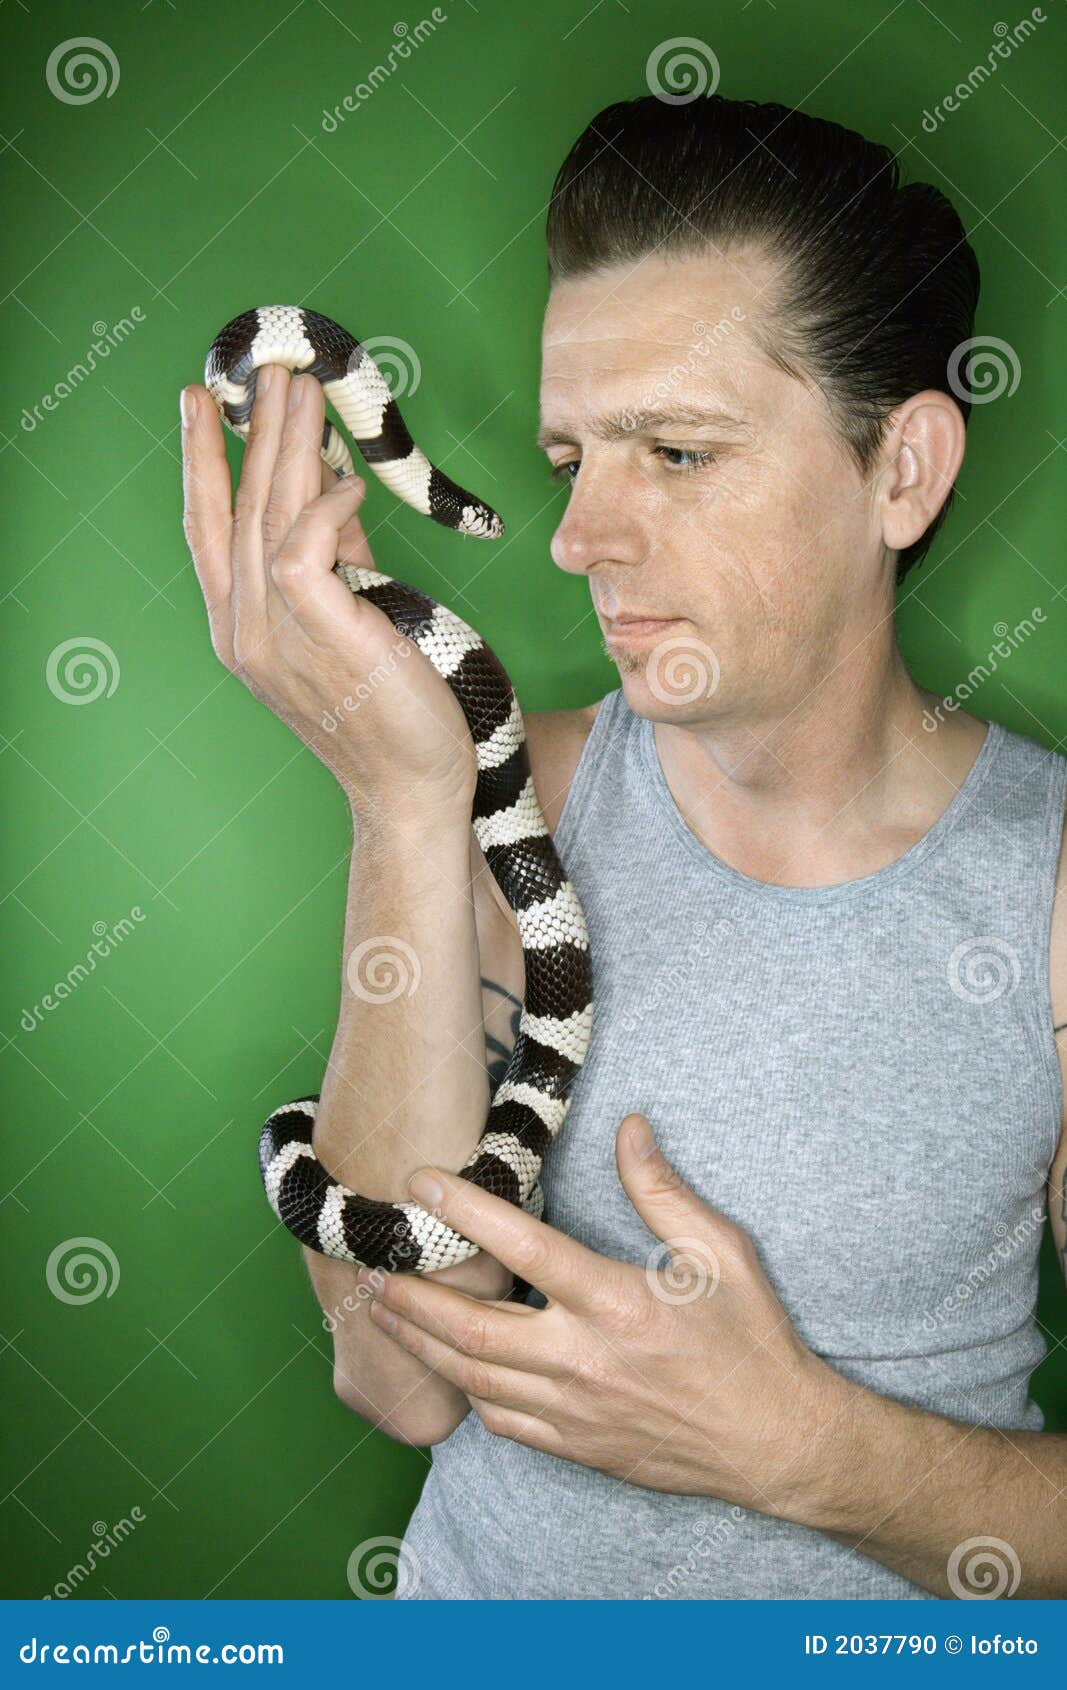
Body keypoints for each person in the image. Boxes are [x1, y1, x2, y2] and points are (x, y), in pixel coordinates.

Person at [180, 93, 1067, 1600]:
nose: (580, 537)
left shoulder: (1045, 892)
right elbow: (400, 1381)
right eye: (572, 455)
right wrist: (406, 801)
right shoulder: (509, 790)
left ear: (902, 471)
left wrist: (791, 1443)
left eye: (674, 450)